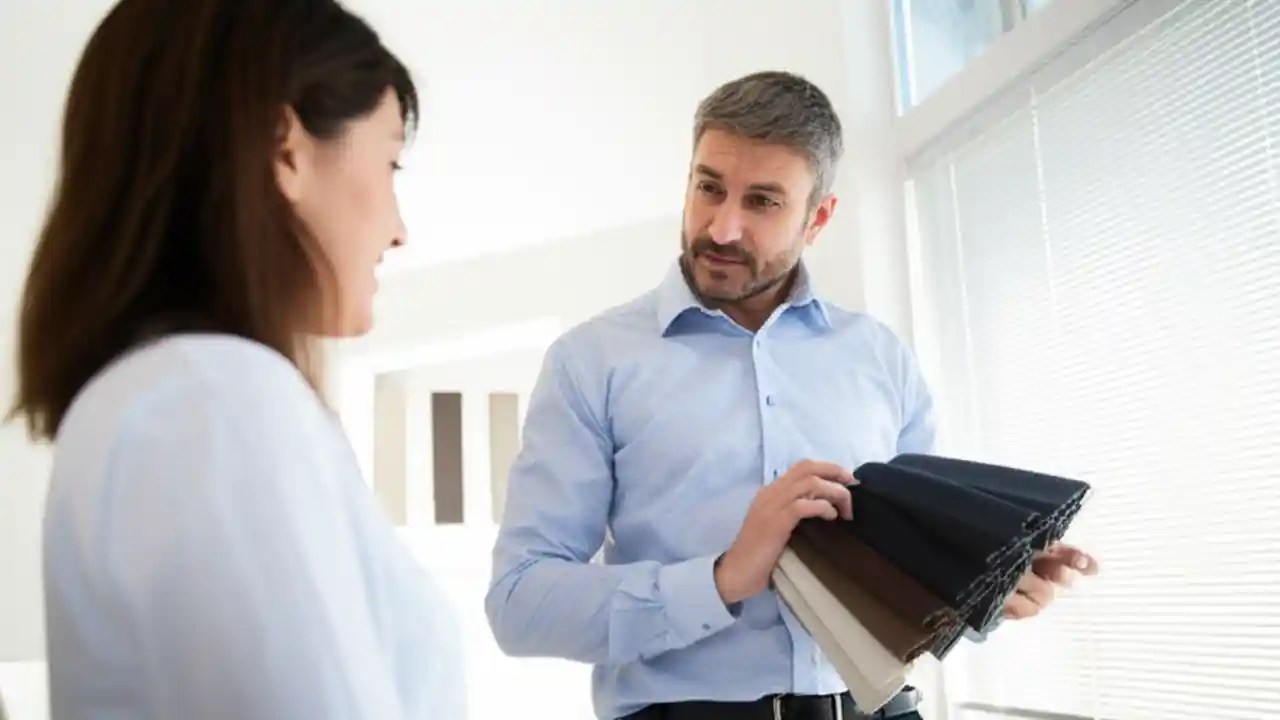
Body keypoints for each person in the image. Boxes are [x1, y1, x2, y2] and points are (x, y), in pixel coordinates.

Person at [485, 71, 1099, 720]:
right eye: (709, 189)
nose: (722, 228)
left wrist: (988, 586)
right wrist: (721, 579)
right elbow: (519, 604)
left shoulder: (879, 357)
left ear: (818, 218)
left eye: (763, 202)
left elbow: (915, 574)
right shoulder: (592, 362)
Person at [8, 1, 464, 718]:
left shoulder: (161, 400)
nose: (399, 229)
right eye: (389, 161)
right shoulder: (213, 401)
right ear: (285, 149)